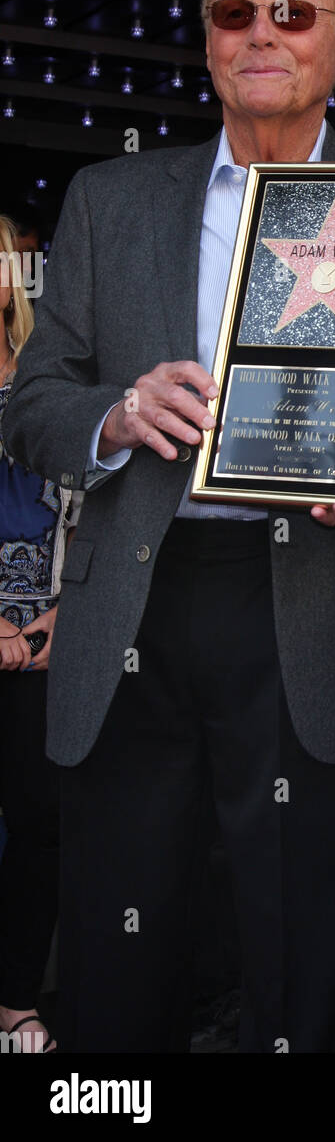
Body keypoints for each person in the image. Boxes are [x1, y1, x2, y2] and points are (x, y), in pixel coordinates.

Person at [4, 0, 335, 1053]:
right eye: (233, 14)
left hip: (319, 602)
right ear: (209, 44)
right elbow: (30, 404)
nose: (261, 31)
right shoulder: (111, 199)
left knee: (301, 955)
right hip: (136, 609)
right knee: (124, 949)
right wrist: (115, 417)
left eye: (294, 14)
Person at [0, 215, 76, 1053]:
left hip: (45, 640)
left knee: (38, 827)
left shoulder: (49, 384)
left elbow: (91, 503)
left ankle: (15, 998)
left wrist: (68, 609)